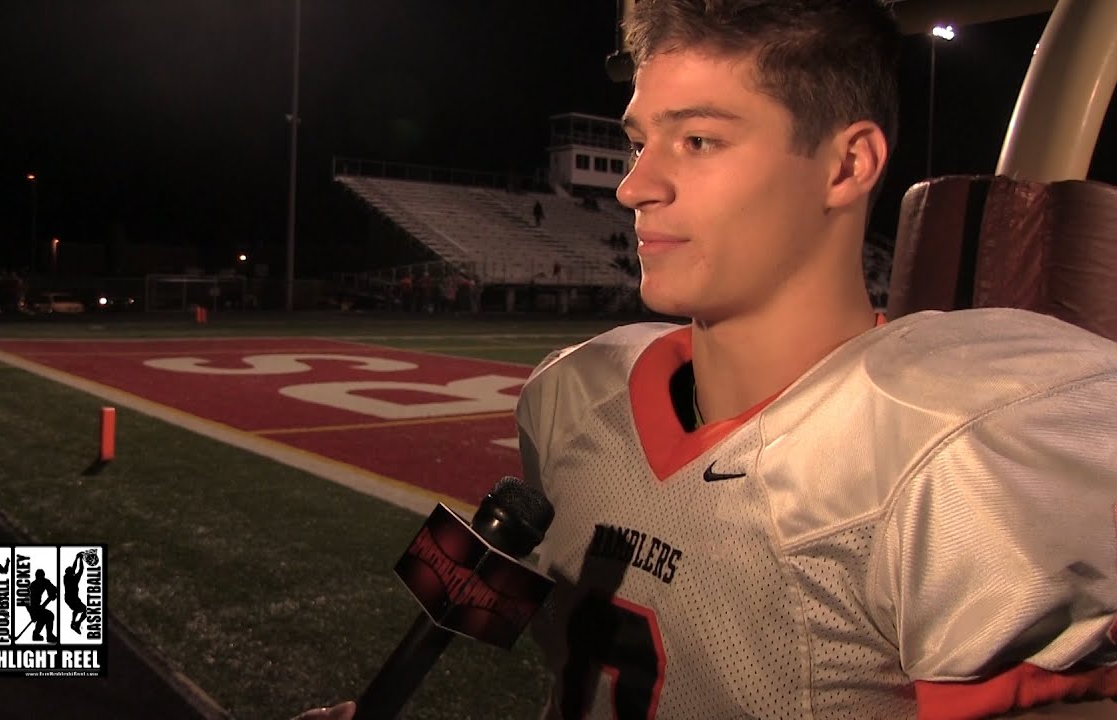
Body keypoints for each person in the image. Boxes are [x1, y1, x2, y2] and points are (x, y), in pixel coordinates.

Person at [295, 1, 1117, 717]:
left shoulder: (951, 453)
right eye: (639, 142)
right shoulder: (574, 399)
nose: (634, 186)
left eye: (697, 140)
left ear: (846, 165)